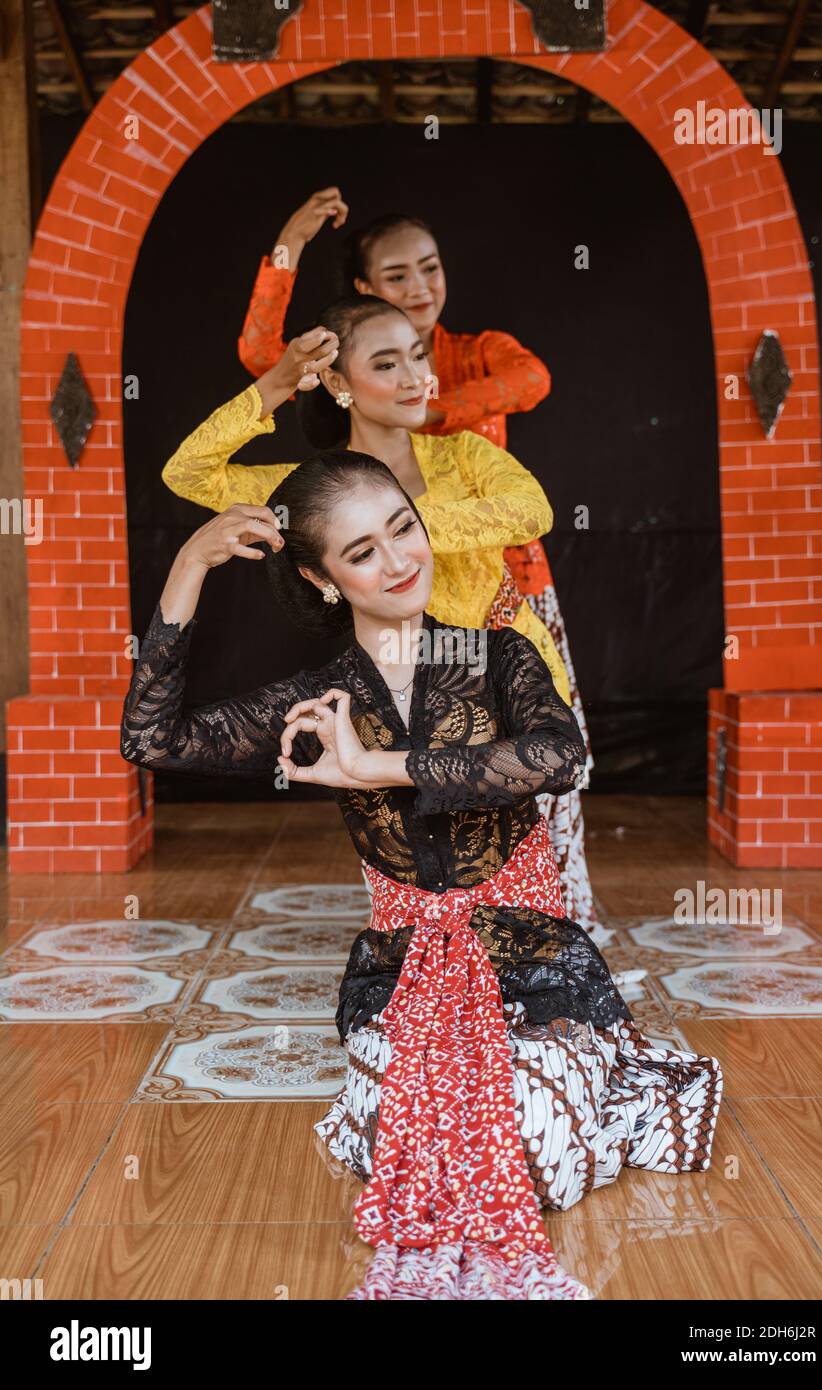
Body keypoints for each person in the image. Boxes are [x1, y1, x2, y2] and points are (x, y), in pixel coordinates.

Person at [120, 451, 723, 1301]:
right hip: (403, 970)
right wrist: (188, 569)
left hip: (529, 954)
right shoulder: (318, 697)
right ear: (323, 579)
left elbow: (560, 755)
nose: (399, 560)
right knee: (395, 1147)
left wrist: (381, 766)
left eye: (402, 528)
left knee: (534, 1149)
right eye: (362, 552)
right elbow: (150, 741)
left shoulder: (496, 653)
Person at [162, 291, 607, 938]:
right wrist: (276, 384)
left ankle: (544, 981)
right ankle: (442, 981)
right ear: (339, 382)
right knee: (440, 868)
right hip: (406, 697)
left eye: (418, 357)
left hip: (510, 671)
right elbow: (189, 474)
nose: (414, 378)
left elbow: (531, 512)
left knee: (537, 860)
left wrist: (383, 526)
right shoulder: (316, 484)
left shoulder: (462, 455)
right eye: (387, 363)